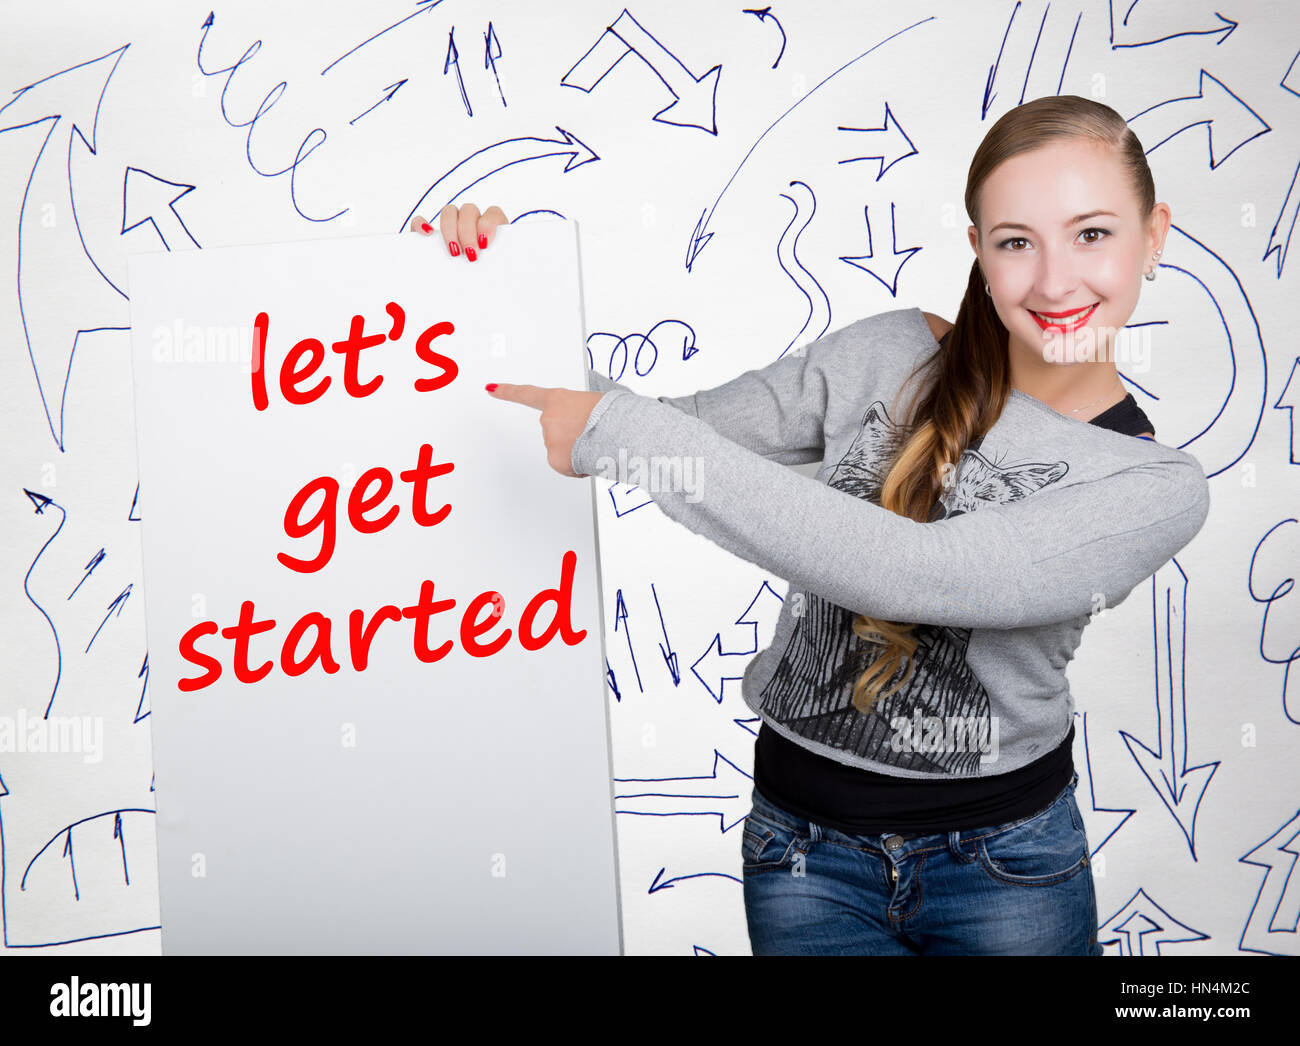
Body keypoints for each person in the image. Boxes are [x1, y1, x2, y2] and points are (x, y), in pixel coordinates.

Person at [411, 94, 1209, 956]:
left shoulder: (1153, 486)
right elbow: (668, 431)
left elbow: (920, 574)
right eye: (1017, 241)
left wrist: (618, 430)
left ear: (1154, 234)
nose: (1055, 280)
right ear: (978, 249)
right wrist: (496, 298)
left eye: (1092, 234)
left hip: (1000, 870)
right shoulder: (888, 353)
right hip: (802, 856)